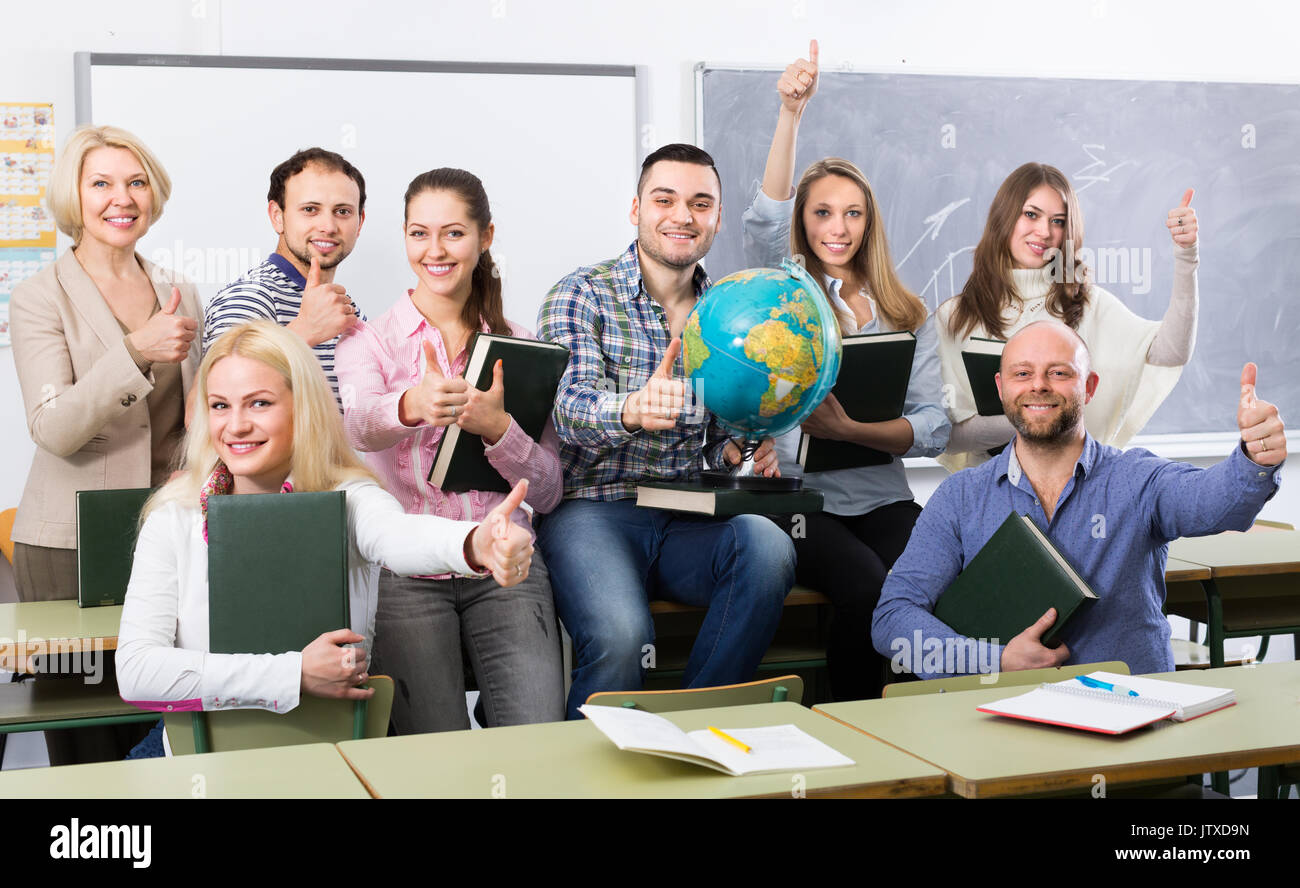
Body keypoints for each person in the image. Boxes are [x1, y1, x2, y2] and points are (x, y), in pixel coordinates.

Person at [116, 320, 535, 723]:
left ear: (303, 408)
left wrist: (475, 542)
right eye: (220, 406)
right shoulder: (173, 517)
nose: (237, 425)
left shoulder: (347, 499)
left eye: (260, 403)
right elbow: (136, 672)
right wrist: (293, 673)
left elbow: (398, 536)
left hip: (335, 753)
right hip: (207, 761)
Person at [536, 143, 796, 720]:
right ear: (636, 209)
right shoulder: (582, 293)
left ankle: (695, 724)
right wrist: (632, 409)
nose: (683, 215)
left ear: (717, 218)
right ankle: (588, 763)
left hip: (685, 515)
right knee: (623, 636)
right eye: (665, 200)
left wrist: (740, 448)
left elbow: (716, 443)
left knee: (769, 546)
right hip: (593, 511)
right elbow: (567, 412)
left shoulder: (728, 313)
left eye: (701, 203)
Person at [871, 320, 1286, 680]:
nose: (1038, 385)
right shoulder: (960, 497)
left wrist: (1254, 458)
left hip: (1133, 714)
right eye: (1022, 373)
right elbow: (893, 619)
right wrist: (995, 661)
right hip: (1006, 715)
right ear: (1001, 388)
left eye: (1058, 373)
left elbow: (1216, 504)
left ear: (1089, 388)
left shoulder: (1138, 479)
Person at [742, 41, 950, 701]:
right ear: (803, 221)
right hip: (801, 503)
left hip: (882, 495)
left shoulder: (905, 312)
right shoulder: (786, 293)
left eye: (853, 213)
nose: (839, 227)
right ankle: (852, 723)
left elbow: (934, 426)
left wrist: (852, 430)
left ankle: (917, 722)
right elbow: (764, 219)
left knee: (936, 581)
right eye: (823, 212)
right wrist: (790, 113)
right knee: (866, 587)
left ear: (869, 222)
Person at [335, 168, 565, 732]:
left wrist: (499, 428)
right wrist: (411, 404)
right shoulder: (367, 342)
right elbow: (359, 429)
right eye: (419, 234)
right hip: (406, 576)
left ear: (486, 237)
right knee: (434, 753)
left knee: (537, 738)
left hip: (504, 565)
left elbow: (550, 491)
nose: (434, 251)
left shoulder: (522, 346)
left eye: (453, 233)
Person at [9, 124, 200, 765]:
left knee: (162, 718)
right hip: (70, 544)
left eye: (137, 182)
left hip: (166, 533)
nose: (122, 198)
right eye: (101, 184)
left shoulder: (180, 291)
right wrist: (135, 351)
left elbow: (192, 423)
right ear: (75, 196)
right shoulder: (39, 296)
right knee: (87, 729)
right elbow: (54, 428)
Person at [936, 162, 1200, 471]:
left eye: (1058, 221)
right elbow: (943, 436)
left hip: (1078, 483)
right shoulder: (955, 318)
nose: (1044, 232)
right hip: (989, 487)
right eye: (1031, 214)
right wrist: (1044, 414)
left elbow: (1172, 352)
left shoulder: (1088, 304)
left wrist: (1186, 256)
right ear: (1003, 217)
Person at [203, 148, 366, 410]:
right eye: (310, 209)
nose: (328, 226)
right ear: (277, 216)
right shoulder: (250, 298)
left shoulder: (349, 312)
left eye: (343, 211)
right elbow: (213, 408)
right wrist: (304, 331)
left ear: (360, 222)